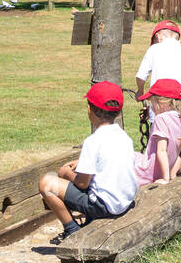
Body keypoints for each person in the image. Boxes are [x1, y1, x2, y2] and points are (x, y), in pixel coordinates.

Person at [38, 82, 138, 239]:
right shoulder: (124, 137)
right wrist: (82, 164)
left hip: (104, 206)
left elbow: (82, 183)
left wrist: (65, 173)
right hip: (124, 201)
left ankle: (72, 230)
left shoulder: (93, 141)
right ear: (118, 113)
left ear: (89, 110)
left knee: (46, 183)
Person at [134, 78, 181, 187]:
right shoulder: (180, 117)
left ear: (161, 103)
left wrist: (165, 179)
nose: (151, 107)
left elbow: (161, 150)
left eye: (152, 103)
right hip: (170, 166)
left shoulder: (160, 119)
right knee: (178, 158)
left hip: (150, 173)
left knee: (128, 158)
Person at [134, 20, 181, 121]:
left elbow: (141, 76)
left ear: (158, 37)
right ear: (178, 38)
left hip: (160, 109)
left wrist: (140, 92)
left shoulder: (154, 50)